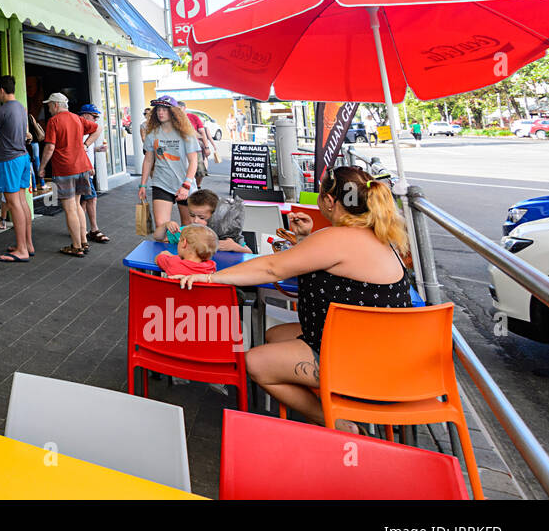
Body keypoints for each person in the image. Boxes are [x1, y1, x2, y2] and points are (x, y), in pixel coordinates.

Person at [176, 165, 414, 430]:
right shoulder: (379, 235)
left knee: (254, 362)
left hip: (360, 360)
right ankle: (332, 403)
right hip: (387, 350)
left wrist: (209, 278)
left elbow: (271, 268)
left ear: (328, 201)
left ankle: (336, 421)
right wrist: (305, 240)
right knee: (274, 335)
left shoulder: (336, 238)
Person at [37, 92, 97, 257]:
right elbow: (97, 129)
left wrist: (42, 167)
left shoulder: (54, 121)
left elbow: (50, 147)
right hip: (82, 167)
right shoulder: (77, 118)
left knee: (70, 208)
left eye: (49, 106)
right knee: (77, 205)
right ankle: (83, 241)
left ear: (56, 105)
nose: (48, 109)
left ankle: (76, 246)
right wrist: (86, 145)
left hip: (65, 169)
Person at [0, 75, 35, 263]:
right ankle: (27, 244)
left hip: (9, 160)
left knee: (14, 204)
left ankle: (21, 249)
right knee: (21, 202)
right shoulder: (21, 108)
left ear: (1, 90)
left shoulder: (2, 110)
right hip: (23, 158)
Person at [138, 95, 199, 239]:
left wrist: (186, 185)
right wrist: (143, 184)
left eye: (165, 109)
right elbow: (148, 160)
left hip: (184, 184)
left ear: (173, 112)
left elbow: (193, 161)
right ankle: (166, 256)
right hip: (161, 183)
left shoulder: (186, 133)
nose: (160, 112)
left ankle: (183, 254)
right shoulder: (152, 134)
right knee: (161, 226)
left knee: (188, 225)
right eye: (158, 109)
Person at [164, 188, 249, 252]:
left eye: (201, 218)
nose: (196, 221)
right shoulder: (189, 231)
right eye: (192, 215)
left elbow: (250, 253)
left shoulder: (230, 237)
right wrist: (165, 225)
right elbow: (161, 239)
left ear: (215, 217)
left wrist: (234, 247)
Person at [77, 103, 108, 244]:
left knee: (83, 201)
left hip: (85, 170)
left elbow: (85, 149)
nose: (96, 120)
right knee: (91, 198)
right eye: (93, 116)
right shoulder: (79, 129)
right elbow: (78, 150)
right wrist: (88, 166)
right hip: (83, 170)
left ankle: (81, 229)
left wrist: (98, 149)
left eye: (97, 117)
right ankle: (93, 229)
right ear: (84, 115)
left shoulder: (87, 131)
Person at [179, 101, 216, 187]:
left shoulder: (193, 117)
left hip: (194, 146)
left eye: (179, 109)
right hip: (179, 147)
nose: (178, 112)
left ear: (184, 108)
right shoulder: (173, 120)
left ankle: (198, 186)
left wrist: (207, 147)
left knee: (200, 171)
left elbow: (203, 133)